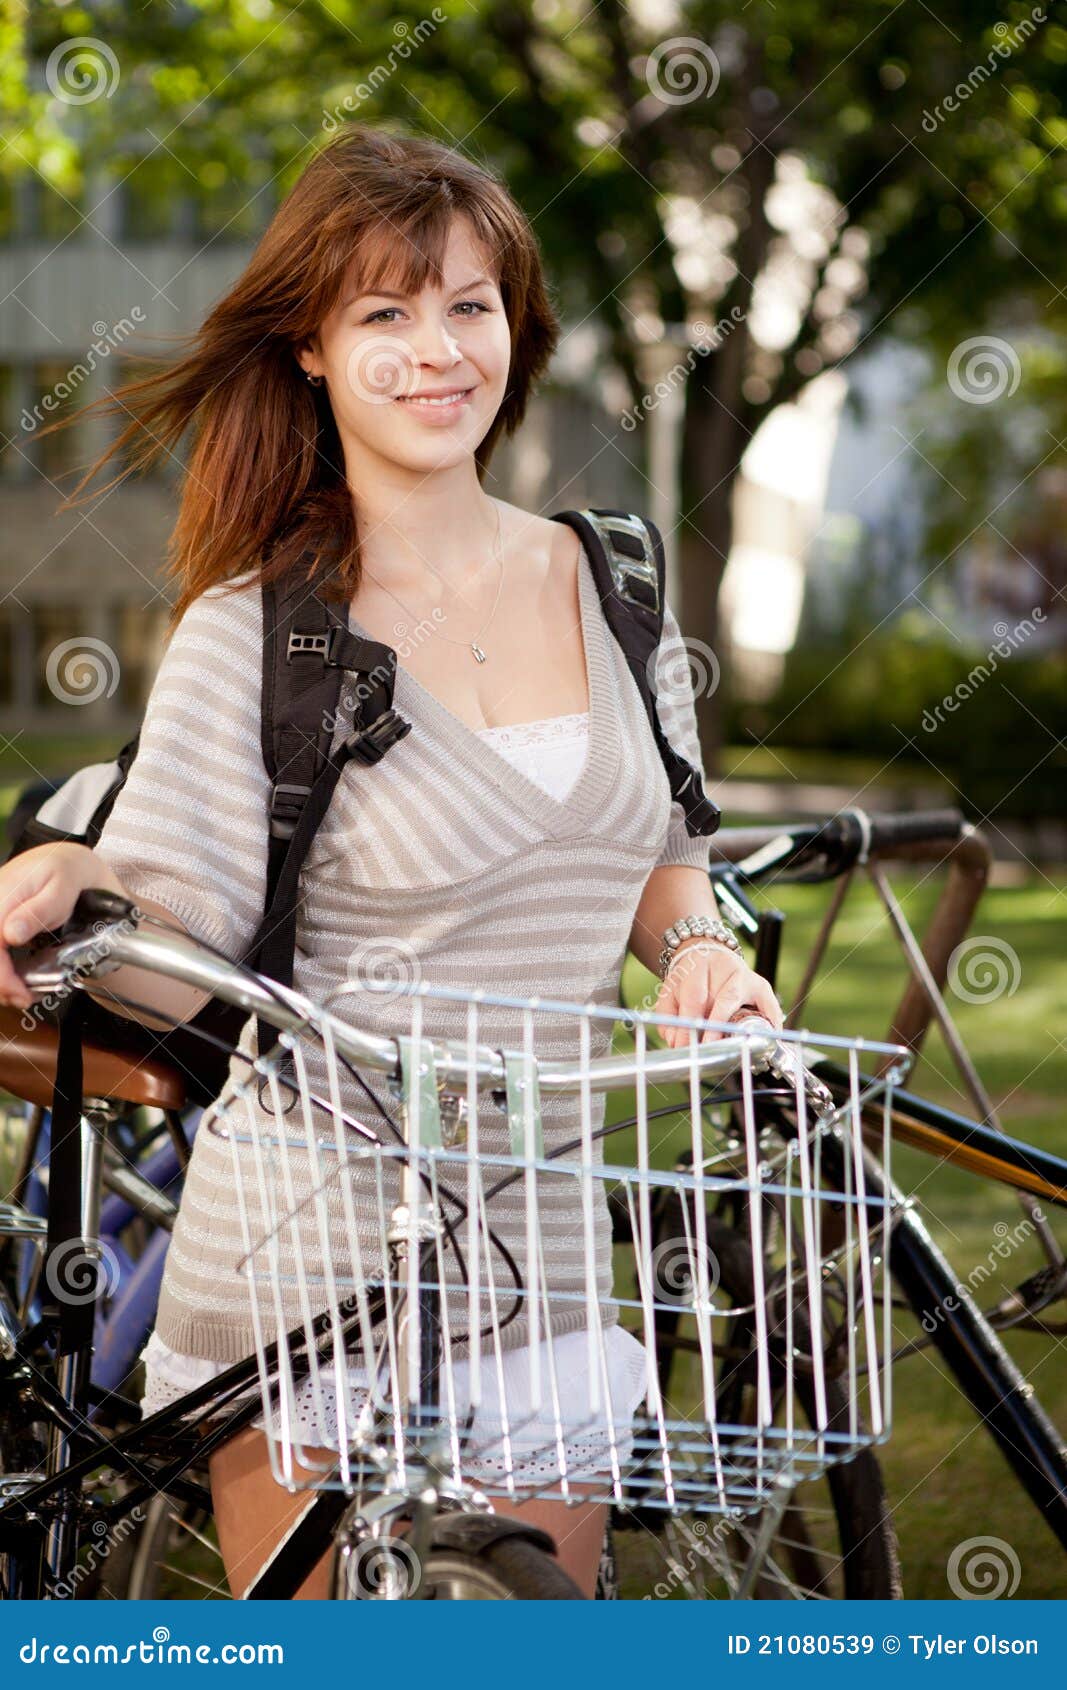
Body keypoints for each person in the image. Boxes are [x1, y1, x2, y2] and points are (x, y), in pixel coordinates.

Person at [0, 123, 784, 1598]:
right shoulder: (256, 626)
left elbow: (663, 854)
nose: (438, 350)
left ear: (516, 330)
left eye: (469, 306)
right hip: (310, 1267)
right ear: (310, 348)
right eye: (384, 312)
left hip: (548, 1242)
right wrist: (85, 898)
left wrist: (699, 952)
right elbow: (184, 932)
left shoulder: (615, 579)